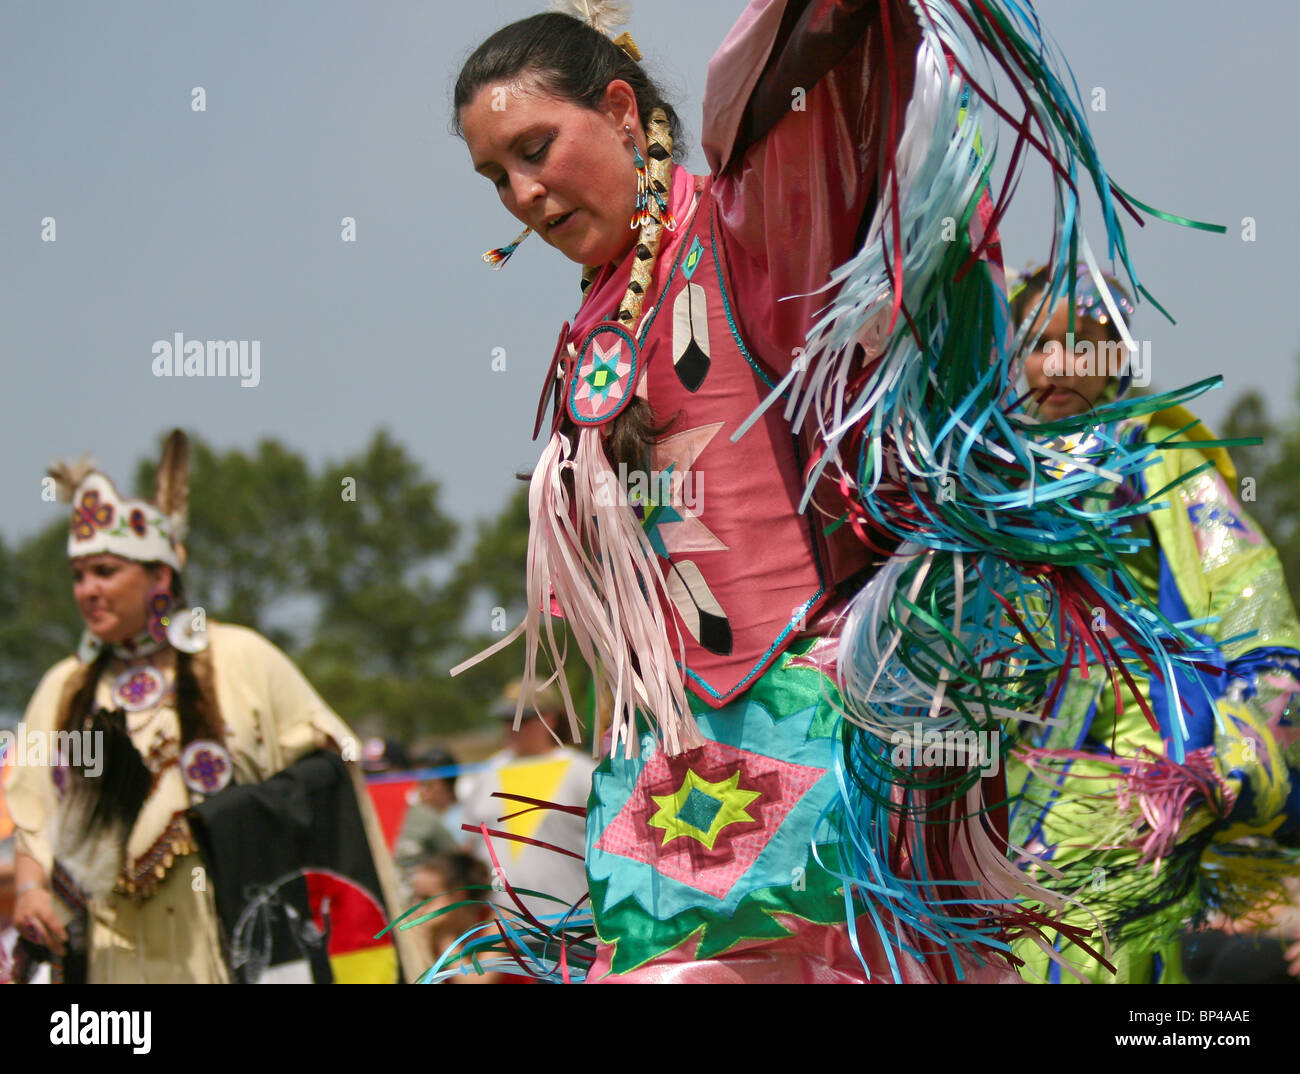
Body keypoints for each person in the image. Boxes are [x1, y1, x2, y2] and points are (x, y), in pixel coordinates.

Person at [448, 2, 1223, 983]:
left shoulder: (745, 232)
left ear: (617, 108)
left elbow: (823, 75)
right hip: (674, 757)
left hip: (812, 715)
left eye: (534, 147)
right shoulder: (597, 316)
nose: (520, 192)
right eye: (494, 176)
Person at [6, 431, 421, 983]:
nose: (87, 591)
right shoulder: (64, 689)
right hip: (110, 950)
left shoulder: (239, 657)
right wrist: (33, 890)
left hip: (225, 931)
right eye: (79, 576)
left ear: (160, 576)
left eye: (106, 572)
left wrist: (226, 820)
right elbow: (34, 816)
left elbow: (332, 775)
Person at [1004, 265, 1300, 983]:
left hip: (1130, 770)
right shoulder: (990, 468)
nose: (1062, 364)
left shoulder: (1156, 454)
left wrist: (1224, 752)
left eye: (1086, 344)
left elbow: (1246, 590)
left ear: (1119, 357)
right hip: (1004, 776)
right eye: (1041, 344)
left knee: (1105, 957)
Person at [457, 682, 597, 924]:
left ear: (550, 719)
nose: (511, 727)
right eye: (505, 719)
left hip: (571, 930)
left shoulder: (583, 773)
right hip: (498, 934)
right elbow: (469, 848)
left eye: (522, 718)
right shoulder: (485, 775)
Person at [394, 747, 465, 875]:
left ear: (448, 784)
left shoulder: (465, 820)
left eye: (427, 785)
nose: (420, 792)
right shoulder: (418, 818)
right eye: (417, 784)